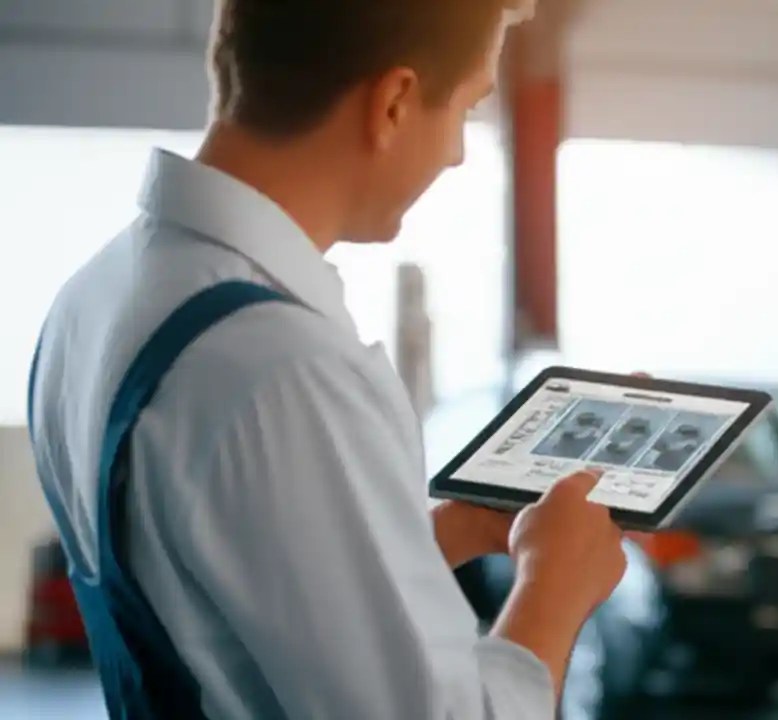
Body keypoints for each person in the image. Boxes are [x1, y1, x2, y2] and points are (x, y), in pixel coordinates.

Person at [25, 1, 626, 718]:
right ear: (396, 103)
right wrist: (553, 589)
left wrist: (453, 533)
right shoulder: (284, 366)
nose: (458, 152)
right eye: (466, 109)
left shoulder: (101, 291)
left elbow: (217, 599)